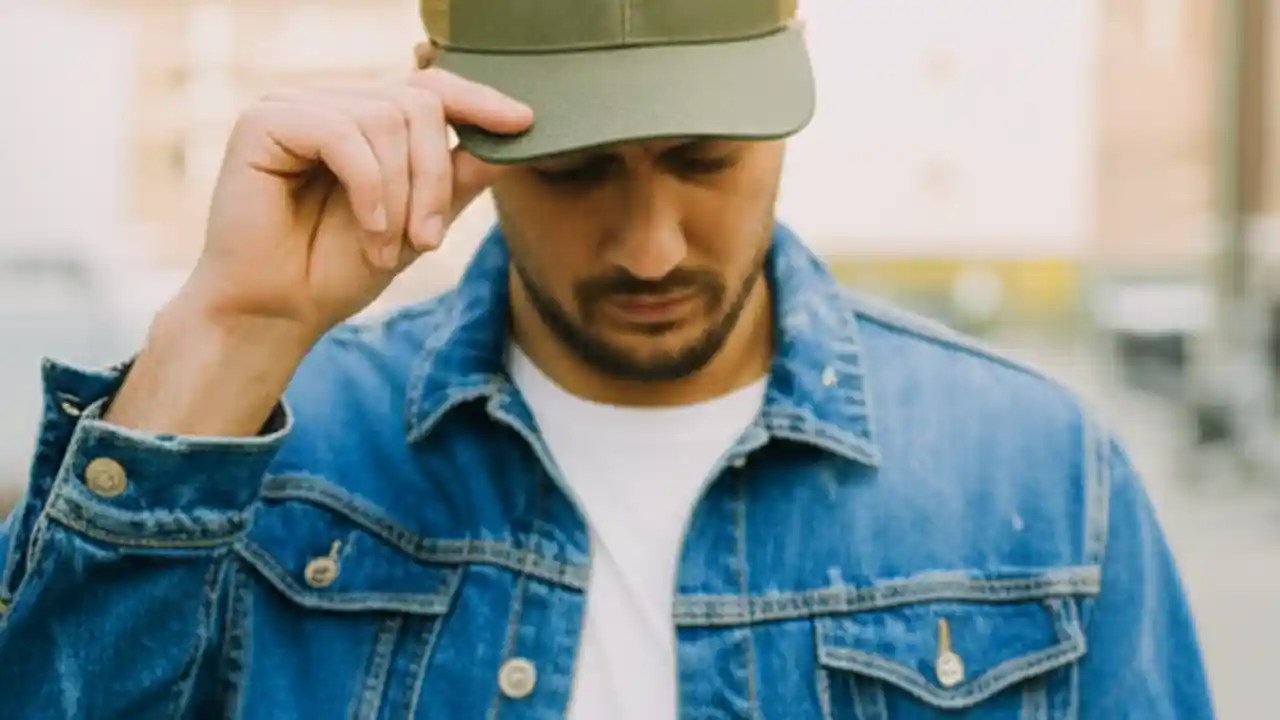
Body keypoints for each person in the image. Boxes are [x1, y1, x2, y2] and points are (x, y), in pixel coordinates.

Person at [0, 1, 1213, 718]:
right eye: (574, 171)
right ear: (443, 114)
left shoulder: (1036, 475)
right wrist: (231, 331)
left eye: (702, 160)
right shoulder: (276, 458)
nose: (648, 246)